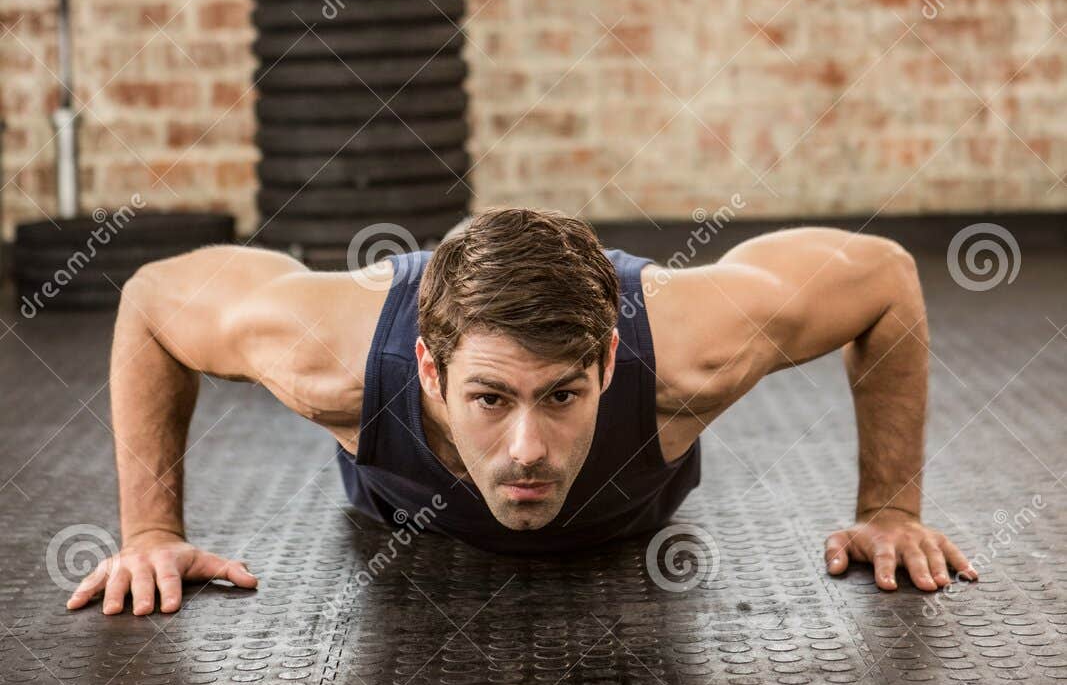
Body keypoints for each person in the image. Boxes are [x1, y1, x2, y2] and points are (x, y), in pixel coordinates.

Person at [66, 207, 977, 617]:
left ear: (609, 360)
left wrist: (889, 508)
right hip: (394, 511)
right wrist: (150, 531)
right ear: (427, 369)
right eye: (489, 400)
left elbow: (884, 277)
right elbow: (152, 299)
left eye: (563, 396)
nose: (526, 448)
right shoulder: (330, 360)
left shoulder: (694, 350)